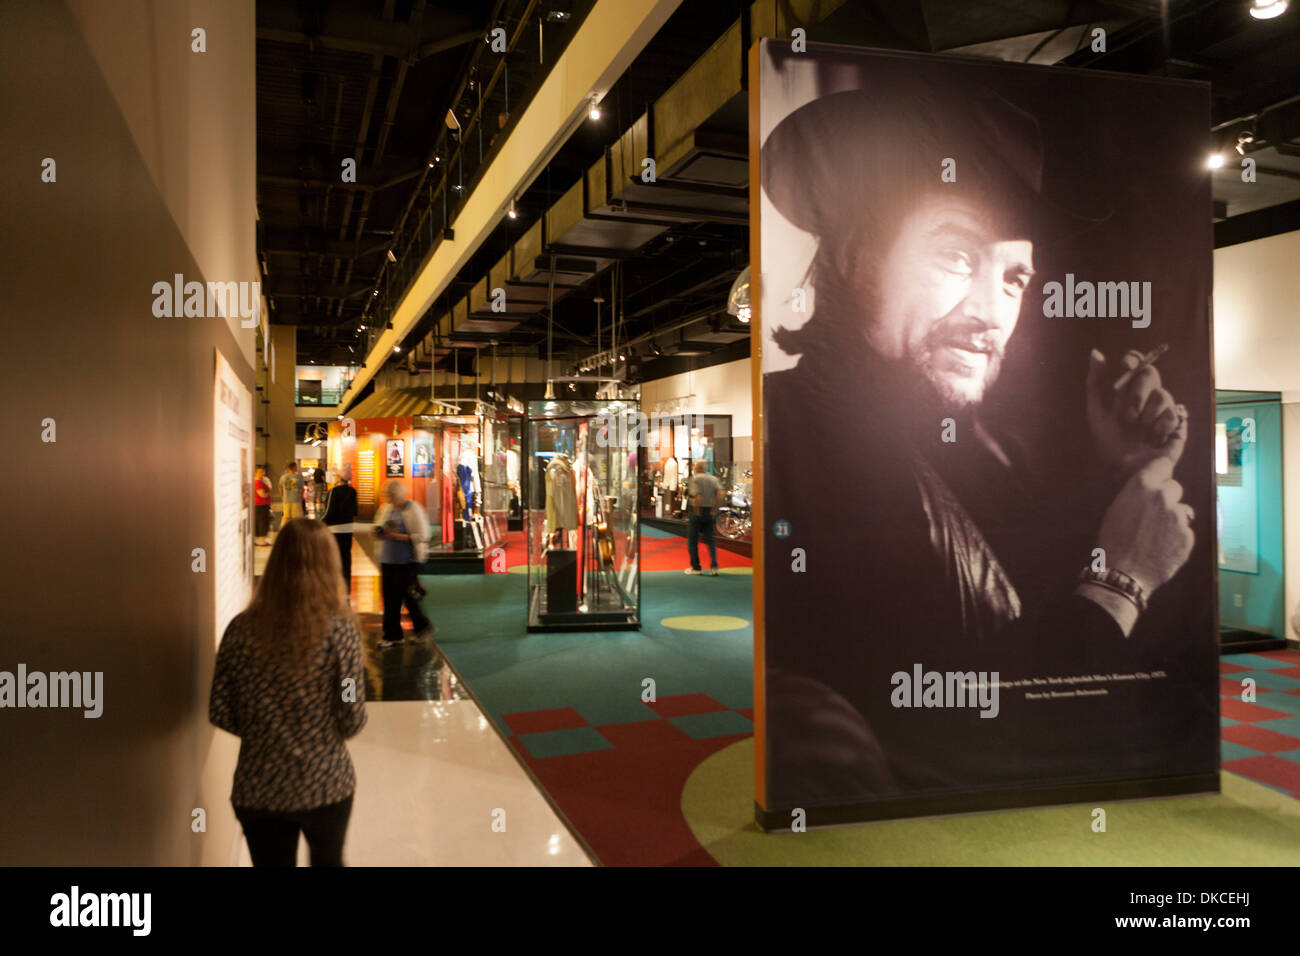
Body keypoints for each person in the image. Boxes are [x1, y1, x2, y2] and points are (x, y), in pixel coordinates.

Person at [758, 73, 1203, 808]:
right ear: (851, 258)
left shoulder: (954, 445)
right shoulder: (810, 438)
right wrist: (1123, 580)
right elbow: (970, 731)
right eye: (958, 256)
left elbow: (1010, 621)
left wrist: (1122, 470)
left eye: (1014, 277)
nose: (989, 314)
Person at [209, 518, 366, 866]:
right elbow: (350, 712)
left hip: (258, 786)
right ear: (330, 565)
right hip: (325, 782)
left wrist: (265, 731)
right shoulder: (341, 633)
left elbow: (220, 710)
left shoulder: (240, 631)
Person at [372, 479, 434, 648]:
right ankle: (393, 635)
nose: (388, 498)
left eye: (390, 495)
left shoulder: (413, 509)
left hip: (407, 561)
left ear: (398, 494)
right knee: (390, 599)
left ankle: (421, 627)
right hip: (388, 560)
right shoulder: (386, 509)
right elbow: (378, 527)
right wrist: (379, 532)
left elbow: (423, 535)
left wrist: (398, 537)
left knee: (407, 597)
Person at [322, 463, 358, 591]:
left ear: (338, 477)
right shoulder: (353, 491)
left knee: (333, 557)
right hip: (348, 530)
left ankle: (332, 586)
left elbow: (329, 512)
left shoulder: (334, 492)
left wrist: (320, 523)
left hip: (334, 531)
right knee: (346, 558)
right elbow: (355, 512)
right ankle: (346, 586)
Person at [684, 460, 723, 576]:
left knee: (692, 540)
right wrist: (715, 509)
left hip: (697, 511)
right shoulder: (714, 479)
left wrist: (696, 512)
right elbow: (720, 493)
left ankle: (696, 567)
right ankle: (714, 566)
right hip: (709, 511)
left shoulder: (695, 479)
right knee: (710, 540)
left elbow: (698, 496)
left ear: (697, 468)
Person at [253, 466, 273, 545]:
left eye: (263, 472)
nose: (263, 473)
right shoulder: (258, 482)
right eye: (261, 472)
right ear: (256, 473)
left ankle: (261, 540)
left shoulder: (259, 481)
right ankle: (262, 541)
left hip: (260, 505)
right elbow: (262, 494)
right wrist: (268, 494)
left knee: (260, 522)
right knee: (262, 522)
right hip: (261, 505)